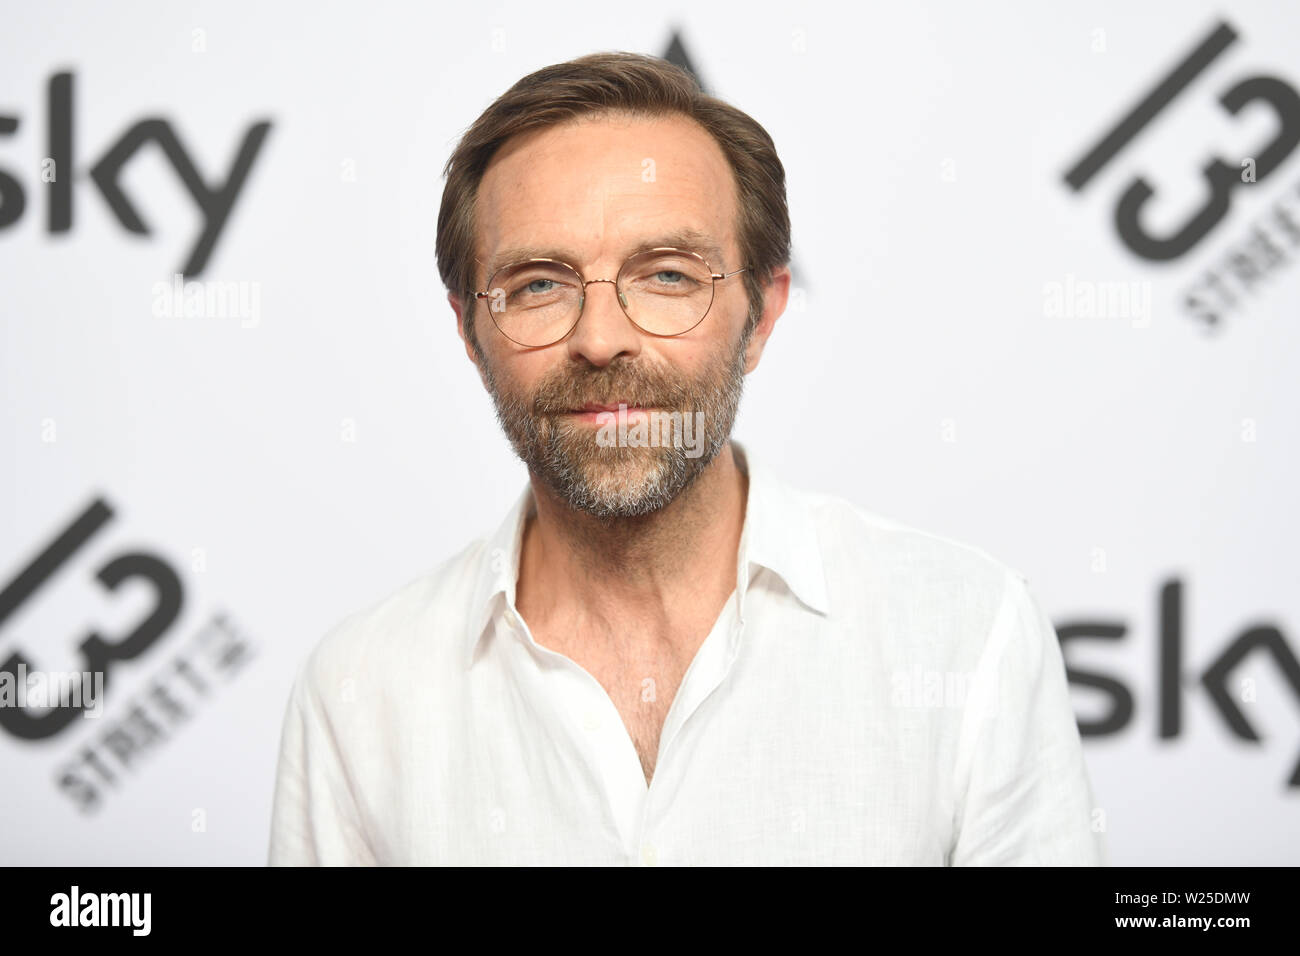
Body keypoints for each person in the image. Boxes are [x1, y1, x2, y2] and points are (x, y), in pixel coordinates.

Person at [268, 51, 1106, 866]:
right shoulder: (359, 693)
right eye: (538, 285)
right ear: (468, 332)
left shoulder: (965, 636)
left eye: (667, 276)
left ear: (763, 312)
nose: (601, 340)